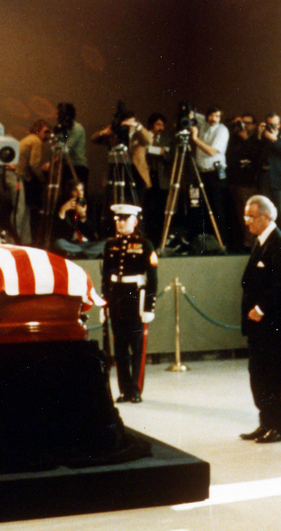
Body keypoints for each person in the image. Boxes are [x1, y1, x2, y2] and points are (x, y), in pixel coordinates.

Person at [239, 195, 281, 443]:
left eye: (251, 217)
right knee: (259, 375)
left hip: (272, 325)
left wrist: (261, 309)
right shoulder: (261, 242)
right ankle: (266, 422)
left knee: (273, 376)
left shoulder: (279, 243)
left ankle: (280, 426)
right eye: (246, 216)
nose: (247, 221)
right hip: (258, 327)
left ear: (266, 216)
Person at [102, 203, 157, 404]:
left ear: (135, 221)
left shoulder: (145, 245)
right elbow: (106, 276)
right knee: (120, 349)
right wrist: (104, 303)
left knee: (137, 348)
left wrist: (149, 306)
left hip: (136, 300)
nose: (121, 223)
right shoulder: (110, 244)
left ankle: (135, 389)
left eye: (125, 219)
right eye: (119, 220)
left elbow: (152, 278)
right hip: (116, 300)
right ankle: (124, 389)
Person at [190, 105, 230, 244]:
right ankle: (202, 241)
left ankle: (221, 242)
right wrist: (189, 113)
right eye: (212, 116)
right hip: (201, 173)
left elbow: (212, 151)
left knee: (217, 208)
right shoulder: (205, 124)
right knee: (198, 208)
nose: (214, 119)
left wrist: (195, 138)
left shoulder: (222, 130)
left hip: (214, 174)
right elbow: (194, 114)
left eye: (218, 116)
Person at [15, 119, 53, 245]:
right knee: (21, 210)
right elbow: (34, 164)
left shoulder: (28, 139)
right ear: (38, 130)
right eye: (46, 131)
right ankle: (16, 237)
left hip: (20, 175)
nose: (48, 135)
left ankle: (24, 240)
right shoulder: (36, 141)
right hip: (18, 176)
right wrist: (42, 178)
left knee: (24, 209)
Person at [226, 113, 259, 252]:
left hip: (247, 184)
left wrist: (245, 137)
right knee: (236, 215)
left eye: (248, 123)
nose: (244, 126)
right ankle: (239, 243)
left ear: (254, 125)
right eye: (242, 123)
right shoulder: (234, 138)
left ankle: (249, 244)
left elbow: (256, 155)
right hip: (233, 182)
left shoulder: (255, 140)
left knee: (248, 215)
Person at [256, 112, 281, 231]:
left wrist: (274, 140)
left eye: (275, 125)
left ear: (280, 125)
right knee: (265, 213)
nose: (272, 127)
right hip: (265, 179)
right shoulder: (262, 137)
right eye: (269, 124)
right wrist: (258, 135)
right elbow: (255, 154)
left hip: (280, 179)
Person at [52, 179, 104, 259]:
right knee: (59, 243)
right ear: (70, 193)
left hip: (87, 244)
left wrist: (83, 216)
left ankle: (79, 254)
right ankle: (84, 254)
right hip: (71, 244)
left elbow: (93, 232)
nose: (80, 194)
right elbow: (59, 233)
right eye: (76, 191)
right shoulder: (63, 205)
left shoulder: (90, 205)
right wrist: (63, 211)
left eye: (81, 190)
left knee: (107, 242)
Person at [143, 112, 171, 246]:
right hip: (148, 177)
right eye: (158, 124)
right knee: (148, 209)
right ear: (151, 125)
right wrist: (157, 150)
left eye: (162, 125)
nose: (161, 127)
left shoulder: (166, 140)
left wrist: (159, 151)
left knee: (161, 209)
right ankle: (148, 237)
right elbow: (143, 151)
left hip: (161, 178)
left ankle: (160, 239)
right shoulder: (144, 137)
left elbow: (168, 155)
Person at [53, 102, 89, 187]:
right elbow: (59, 146)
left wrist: (55, 160)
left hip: (77, 167)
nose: (56, 117)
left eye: (59, 114)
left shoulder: (76, 128)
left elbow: (67, 148)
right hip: (67, 166)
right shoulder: (64, 129)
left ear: (66, 116)